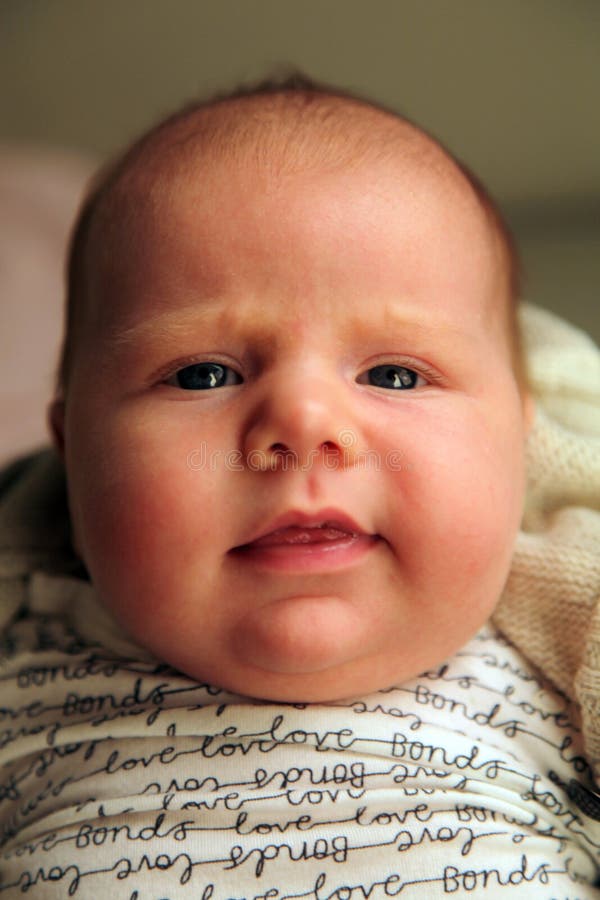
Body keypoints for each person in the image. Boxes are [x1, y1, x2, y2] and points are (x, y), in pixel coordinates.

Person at [1, 76, 599, 897]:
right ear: (73, 453)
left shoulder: (562, 640)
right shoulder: (23, 637)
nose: (305, 422)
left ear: (516, 443)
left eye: (394, 374)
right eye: (202, 374)